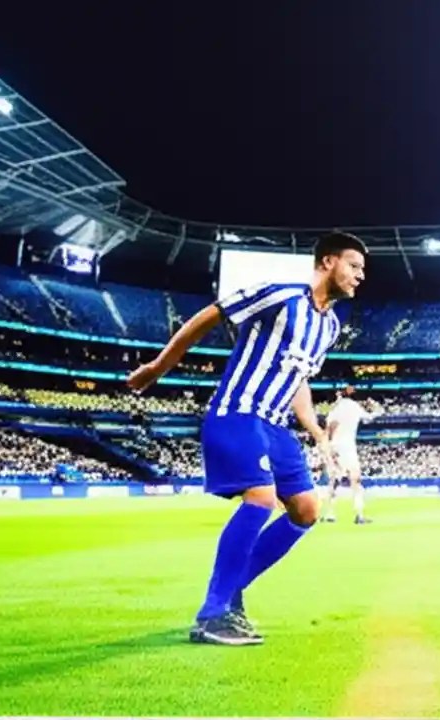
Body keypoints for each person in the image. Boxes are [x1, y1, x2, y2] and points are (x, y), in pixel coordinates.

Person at [127, 231, 366, 645]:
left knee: (307, 510)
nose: (360, 276)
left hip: (276, 426)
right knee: (260, 497)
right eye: (354, 266)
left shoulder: (328, 326)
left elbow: (299, 380)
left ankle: (231, 592)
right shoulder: (280, 294)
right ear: (328, 262)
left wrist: (315, 433)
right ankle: (212, 614)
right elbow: (211, 315)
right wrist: (158, 367)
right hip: (237, 411)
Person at [321, 385, 384, 524]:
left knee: (334, 481)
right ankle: (359, 514)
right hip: (347, 447)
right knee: (355, 480)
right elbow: (370, 417)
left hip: (338, 446)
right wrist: (375, 406)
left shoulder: (338, 409)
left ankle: (330, 514)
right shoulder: (354, 407)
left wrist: (329, 449)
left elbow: (330, 428)